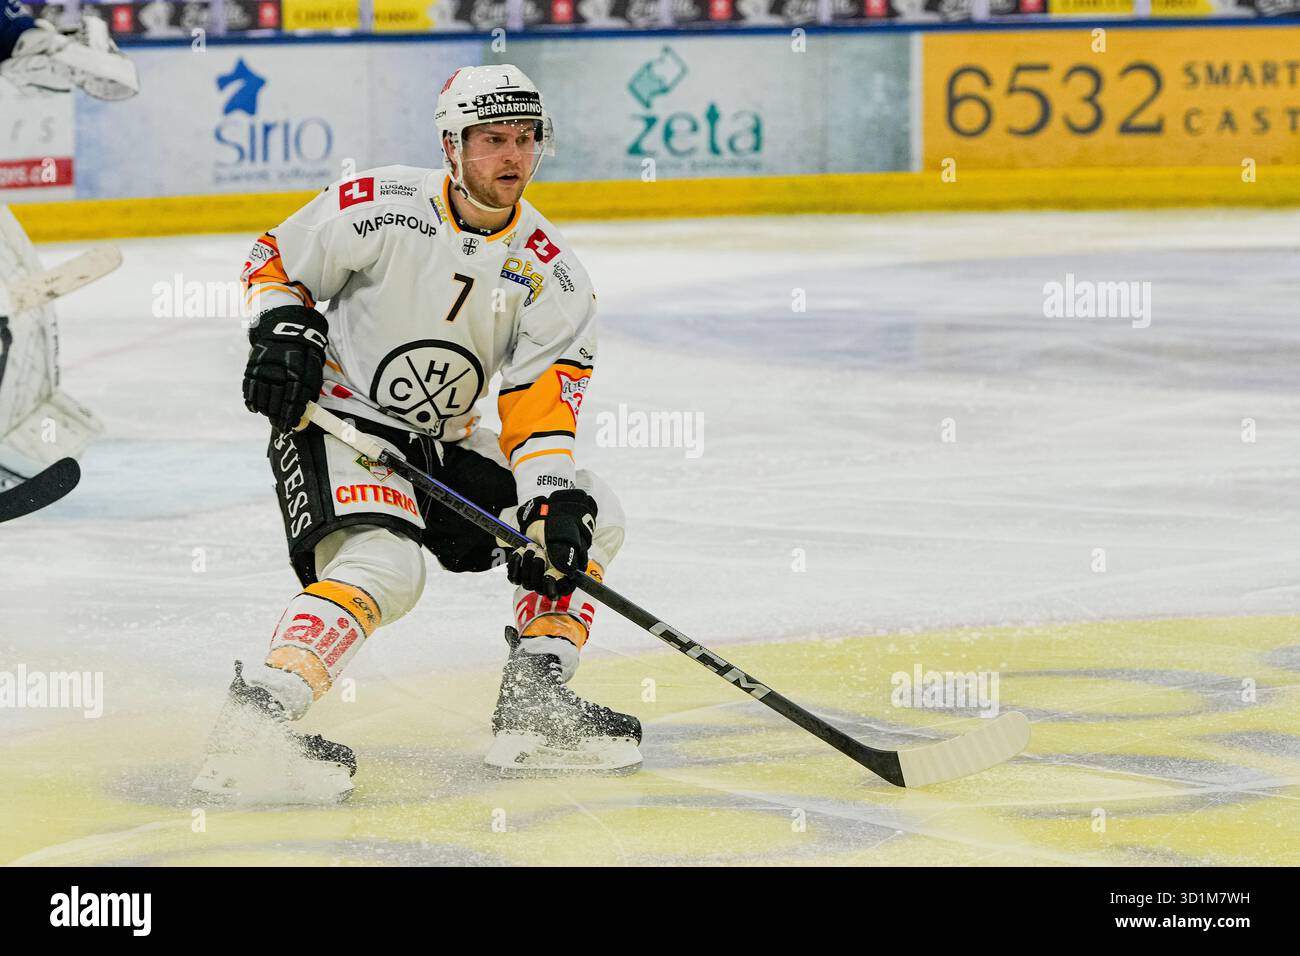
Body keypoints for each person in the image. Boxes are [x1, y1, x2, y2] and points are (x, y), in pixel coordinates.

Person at [193, 64, 641, 803]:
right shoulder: (380, 203)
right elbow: (275, 259)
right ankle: (258, 721)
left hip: (444, 441)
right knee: (386, 568)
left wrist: (546, 503)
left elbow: (538, 406)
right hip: (339, 418)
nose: (512, 158)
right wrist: (282, 327)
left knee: (589, 516)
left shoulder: (552, 273)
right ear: (451, 145)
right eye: (493, 139)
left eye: (526, 140)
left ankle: (537, 701)